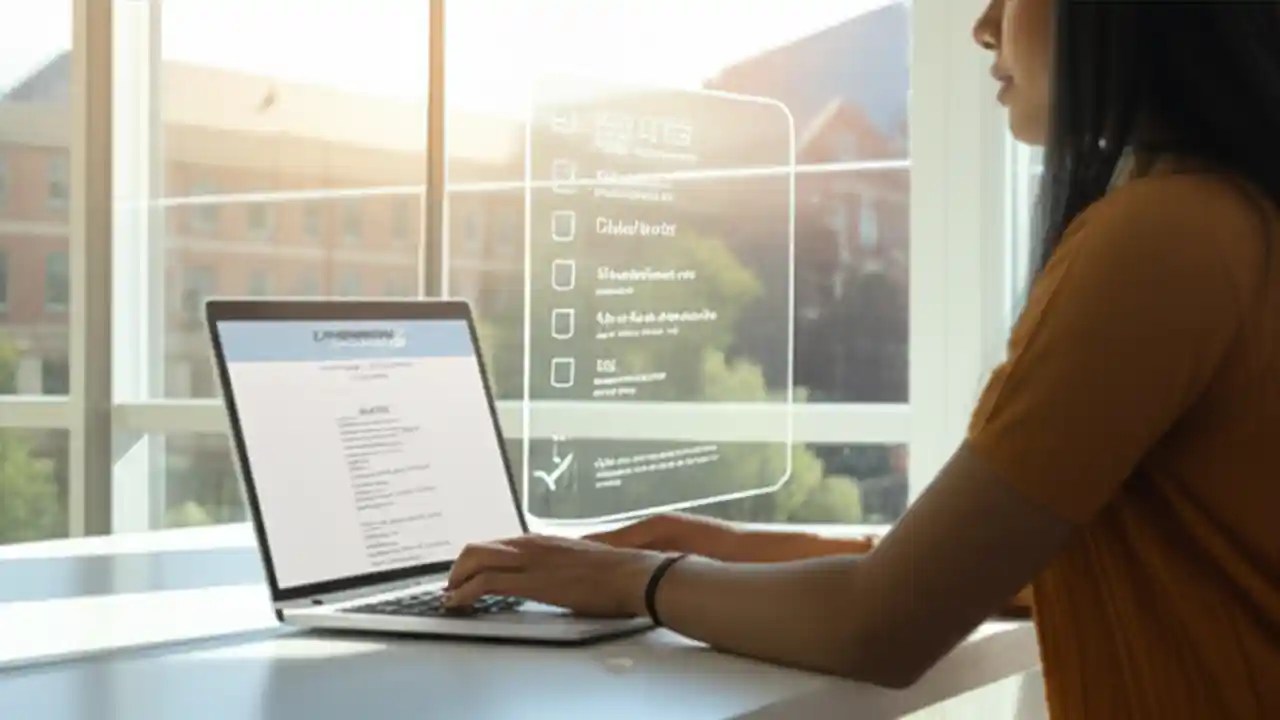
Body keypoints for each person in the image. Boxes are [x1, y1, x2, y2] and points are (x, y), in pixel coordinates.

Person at [445, 1, 1280, 716]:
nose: (984, 27)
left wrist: (638, 581)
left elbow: (881, 626)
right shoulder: (1231, 221)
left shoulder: (1164, 238)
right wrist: (718, 547)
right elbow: (971, 570)